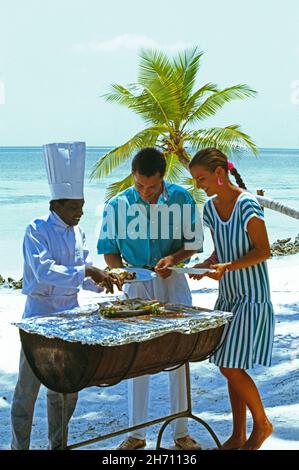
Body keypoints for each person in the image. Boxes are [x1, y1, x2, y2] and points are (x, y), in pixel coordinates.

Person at [11, 142, 121, 450]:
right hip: (39, 321)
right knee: (26, 392)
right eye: (74, 206)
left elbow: (81, 277)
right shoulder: (36, 230)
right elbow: (45, 272)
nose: (81, 212)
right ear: (56, 205)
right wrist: (87, 272)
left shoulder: (79, 232)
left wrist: (103, 281)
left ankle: (57, 445)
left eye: (82, 205)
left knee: (66, 391)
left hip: (71, 321)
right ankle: (19, 447)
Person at [97, 147, 204, 450]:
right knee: (136, 358)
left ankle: (181, 431)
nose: (145, 192)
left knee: (179, 355)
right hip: (136, 286)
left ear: (163, 179)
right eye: (139, 185)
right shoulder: (117, 205)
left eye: (152, 187)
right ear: (133, 177)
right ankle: (136, 434)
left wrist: (173, 258)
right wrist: (120, 274)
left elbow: (193, 242)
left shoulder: (182, 199)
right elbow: (108, 249)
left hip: (174, 283)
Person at [188, 147, 275, 450]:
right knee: (231, 364)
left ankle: (262, 425)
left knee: (230, 366)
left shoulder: (248, 205)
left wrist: (227, 267)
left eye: (202, 179)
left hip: (251, 297)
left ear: (220, 175)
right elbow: (220, 252)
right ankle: (239, 435)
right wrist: (206, 264)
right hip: (228, 297)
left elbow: (264, 251)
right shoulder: (211, 209)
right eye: (196, 180)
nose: (200, 185)